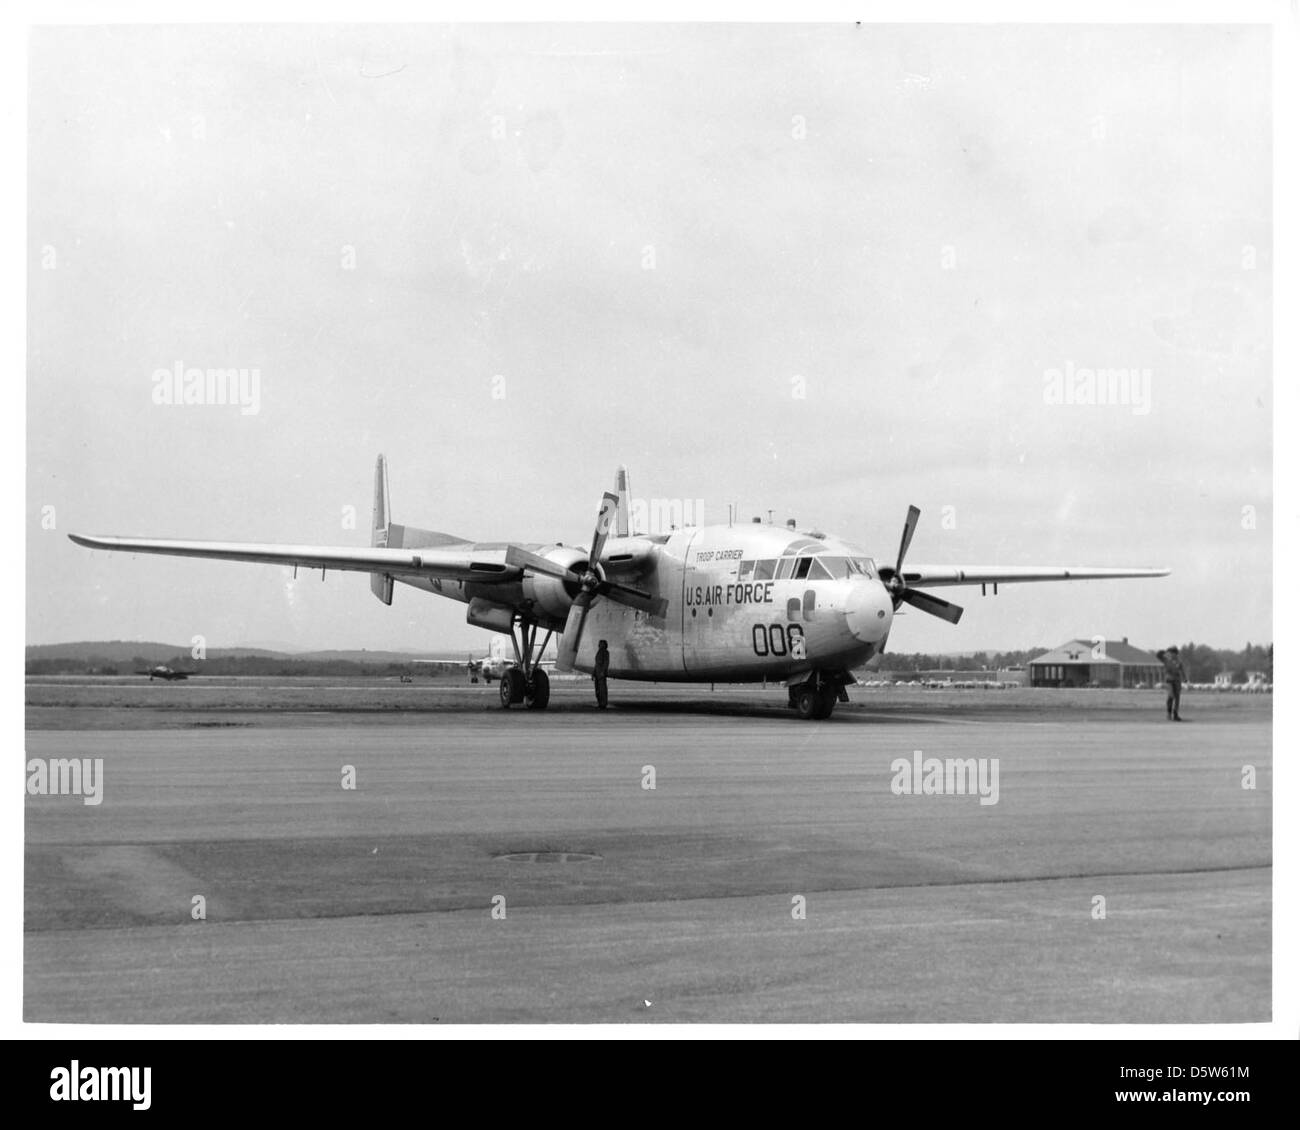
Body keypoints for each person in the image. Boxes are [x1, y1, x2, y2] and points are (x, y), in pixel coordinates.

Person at [1157, 647, 1186, 721]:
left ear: (1176, 654)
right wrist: (1162, 652)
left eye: (1172, 653)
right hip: (1169, 680)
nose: (1171, 655)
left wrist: (1185, 678)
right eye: (1170, 653)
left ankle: (1175, 714)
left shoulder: (1179, 662)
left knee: (1177, 697)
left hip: (1177, 680)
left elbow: (1182, 670)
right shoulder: (1166, 660)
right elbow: (1158, 656)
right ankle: (1168, 713)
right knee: (1171, 695)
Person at [593, 640, 610, 709]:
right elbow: (596, 664)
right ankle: (600, 703)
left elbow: (606, 663)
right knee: (597, 689)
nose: (599, 645)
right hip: (597, 672)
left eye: (601, 644)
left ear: (604, 645)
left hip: (601, 673)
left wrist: (603, 672)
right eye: (599, 644)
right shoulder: (599, 652)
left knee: (602, 689)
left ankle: (603, 704)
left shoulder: (605, 652)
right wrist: (593, 673)